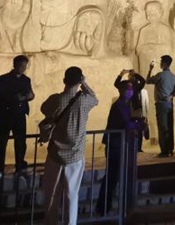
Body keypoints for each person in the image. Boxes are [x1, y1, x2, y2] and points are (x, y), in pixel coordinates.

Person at [40, 67, 98, 225]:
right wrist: (84, 83)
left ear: (64, 80)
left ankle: (50, 222)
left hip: (55, 154)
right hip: (75, 155)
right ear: (79, 81)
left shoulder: (56, 100)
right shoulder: (84, 100)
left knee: (51, 194)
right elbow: (95, 98)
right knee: (72, 195)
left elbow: (44, 109)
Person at [95, 80, 144, 216]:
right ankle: (103, 208)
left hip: (121, 144)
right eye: (128, 89)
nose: (130, 91)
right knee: (112, 176)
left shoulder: (126, 104)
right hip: (115, 145)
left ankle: (108, 207)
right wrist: (139, 125)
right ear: (121, 90)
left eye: (131, 89)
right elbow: (125, 123)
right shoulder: (119, 106)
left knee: (115, 176)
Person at [0, 55, 34, 177]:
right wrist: (14, 97)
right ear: (15, 65)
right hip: (5, 114)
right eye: (21, 66)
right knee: (2, 141)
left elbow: (30, 93)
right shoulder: (3, 79)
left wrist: (29, 96)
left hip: (19, 114)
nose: (23, 68)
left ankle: (20, 166)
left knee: (20, 142)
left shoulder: (26, 80)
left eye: (25, 66)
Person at [146, 55, 175, 157]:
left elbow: (147, 80)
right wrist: (171, 96)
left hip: (161, 104)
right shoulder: (174, 77)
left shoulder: (160, 75)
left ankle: (164, 151)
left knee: (163, 127)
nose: (160, 64)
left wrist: (150, 69)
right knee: (170, 126)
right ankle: (170, 149)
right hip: (170, 104)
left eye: (161, 62)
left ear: (164, 63)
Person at [115, 69, 148, 152]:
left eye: (132, 76)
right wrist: (121, 75)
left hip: (136, 109)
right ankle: (130, 146)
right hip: (128, 108)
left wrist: (135, 74)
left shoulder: (137, 86)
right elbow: (116, 84)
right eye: (130, 75)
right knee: (129, 128)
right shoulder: (126, 85)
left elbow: (143, 81)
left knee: (138, 129)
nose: (131, 77)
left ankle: (138, 147)